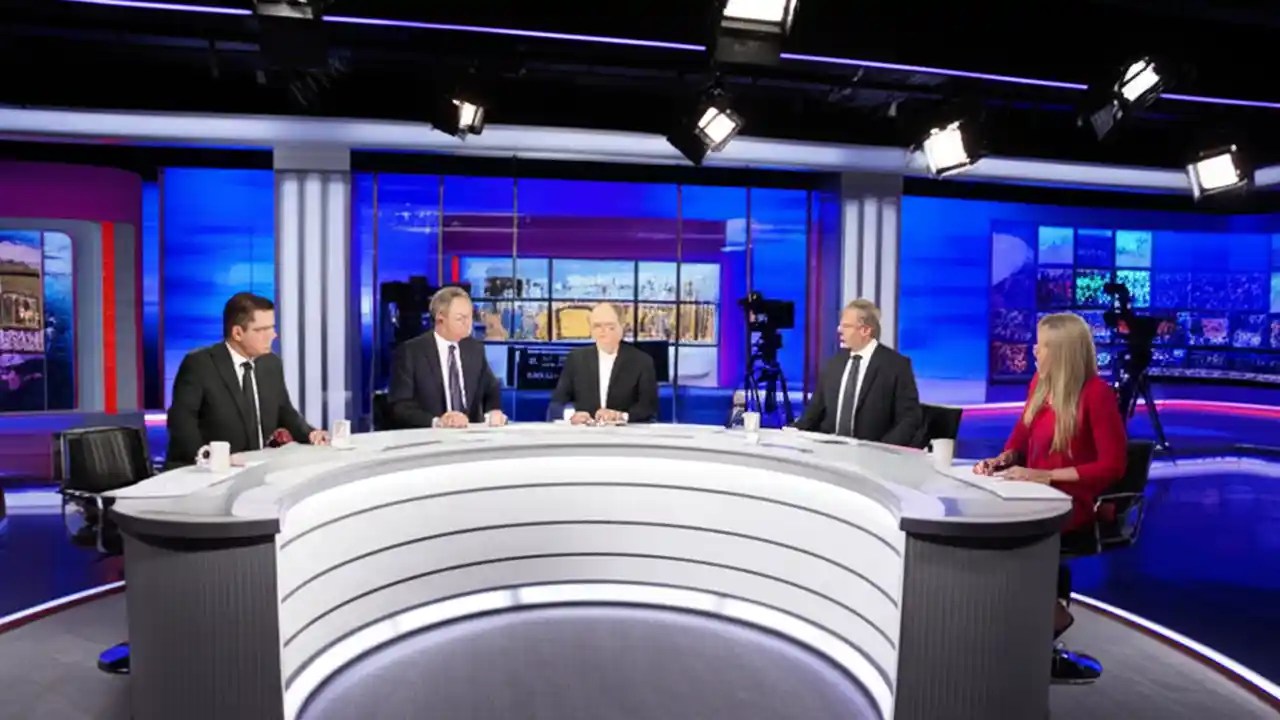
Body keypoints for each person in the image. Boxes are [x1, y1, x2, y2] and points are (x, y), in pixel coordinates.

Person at [973, 312, 1127, 684]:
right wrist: (1003, 459)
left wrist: (1046, 475)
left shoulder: (1097, 395)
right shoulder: (1039, 385)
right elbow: (1020, 439)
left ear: (1061, 352)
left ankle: (1046, 621)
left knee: (1016, 539)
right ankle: (1033, 623)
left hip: (1073, 501)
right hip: (1035, 491)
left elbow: (1114, 465)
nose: (1034, 351)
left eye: (1041, 346)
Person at [166, 292, 328, 469]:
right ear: (237, 333)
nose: (272, 335)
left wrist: (310, 434)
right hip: (204, 471)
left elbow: (284, 411)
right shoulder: (200, 364)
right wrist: (207, 459)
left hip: (253, 469)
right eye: (262, 330)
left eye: (272, 328)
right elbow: (182, 422)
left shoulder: (271, 364)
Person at [794, 299, 921, 446]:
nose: (839, 330)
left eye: (846, 326)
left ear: (865, 330)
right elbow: (814, 412)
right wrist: (791, 434)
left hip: (874, 456)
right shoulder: (833, 364)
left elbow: (909, 419)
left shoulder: (896, 366)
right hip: (829, 453)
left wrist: (881, 450)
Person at [388, 286, 506, 429]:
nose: (468, 324)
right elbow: (400, 406)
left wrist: (493, 411)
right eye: (460, 318)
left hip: (470, 438)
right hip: (429, 439)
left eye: (469, 317)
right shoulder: (411, 352)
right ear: (440, 318)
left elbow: (491, 388)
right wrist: (437, 422)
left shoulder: (475, 350)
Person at [550, 302, 658, 424]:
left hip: (625, 436)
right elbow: (555, 406)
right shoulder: (576, 359)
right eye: (597, 326)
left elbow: (648, 408)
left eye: (610, 326)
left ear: (622, 327)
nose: (603, 331)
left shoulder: (642, 361)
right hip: (584, 436)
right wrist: (571, 415)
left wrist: (621, 416)